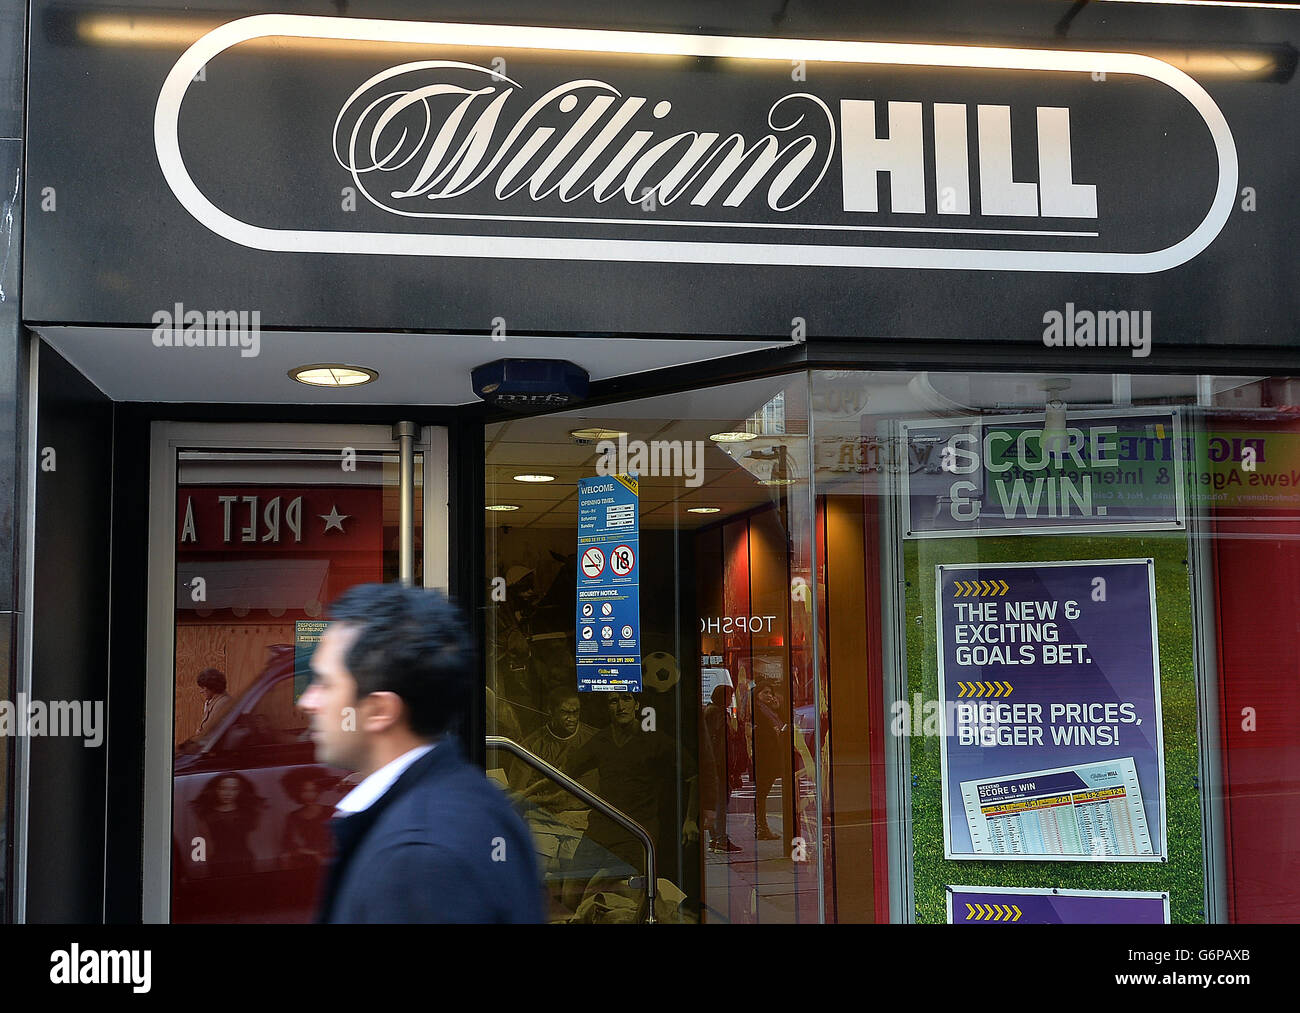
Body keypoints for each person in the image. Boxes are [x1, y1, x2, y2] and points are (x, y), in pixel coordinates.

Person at [300, 583, 544, 923]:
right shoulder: (473, 801)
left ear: (379, 711)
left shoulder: (417, 861)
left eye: (325, 684)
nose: (307, 702)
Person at [703, 684, 742, 854]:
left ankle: (714, 838)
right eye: (729, 696)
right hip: (719, 765)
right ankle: (721, 840)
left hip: (714, 764)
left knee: (716, 802)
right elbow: (721, 741)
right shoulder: (717, 713)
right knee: (721, 803)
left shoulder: (709, 710)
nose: (730, 699)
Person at [753, 682, 788, 841]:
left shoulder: (770, 711)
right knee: (761, 793)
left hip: (772, 756)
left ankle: (762, 828)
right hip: (764, 757)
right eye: (765, 692)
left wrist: (778, 707)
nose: (769, 695)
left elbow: (785, 723)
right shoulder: (758, 710)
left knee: (763, 792)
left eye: (770, 693)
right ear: (758, 694)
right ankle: (762, 828)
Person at [195, 667, 235, 739]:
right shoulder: (213, 701)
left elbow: (217, 733)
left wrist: (201, 735)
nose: (201, 691)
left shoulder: (223, 704)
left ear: (212, 687)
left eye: (203, 688)